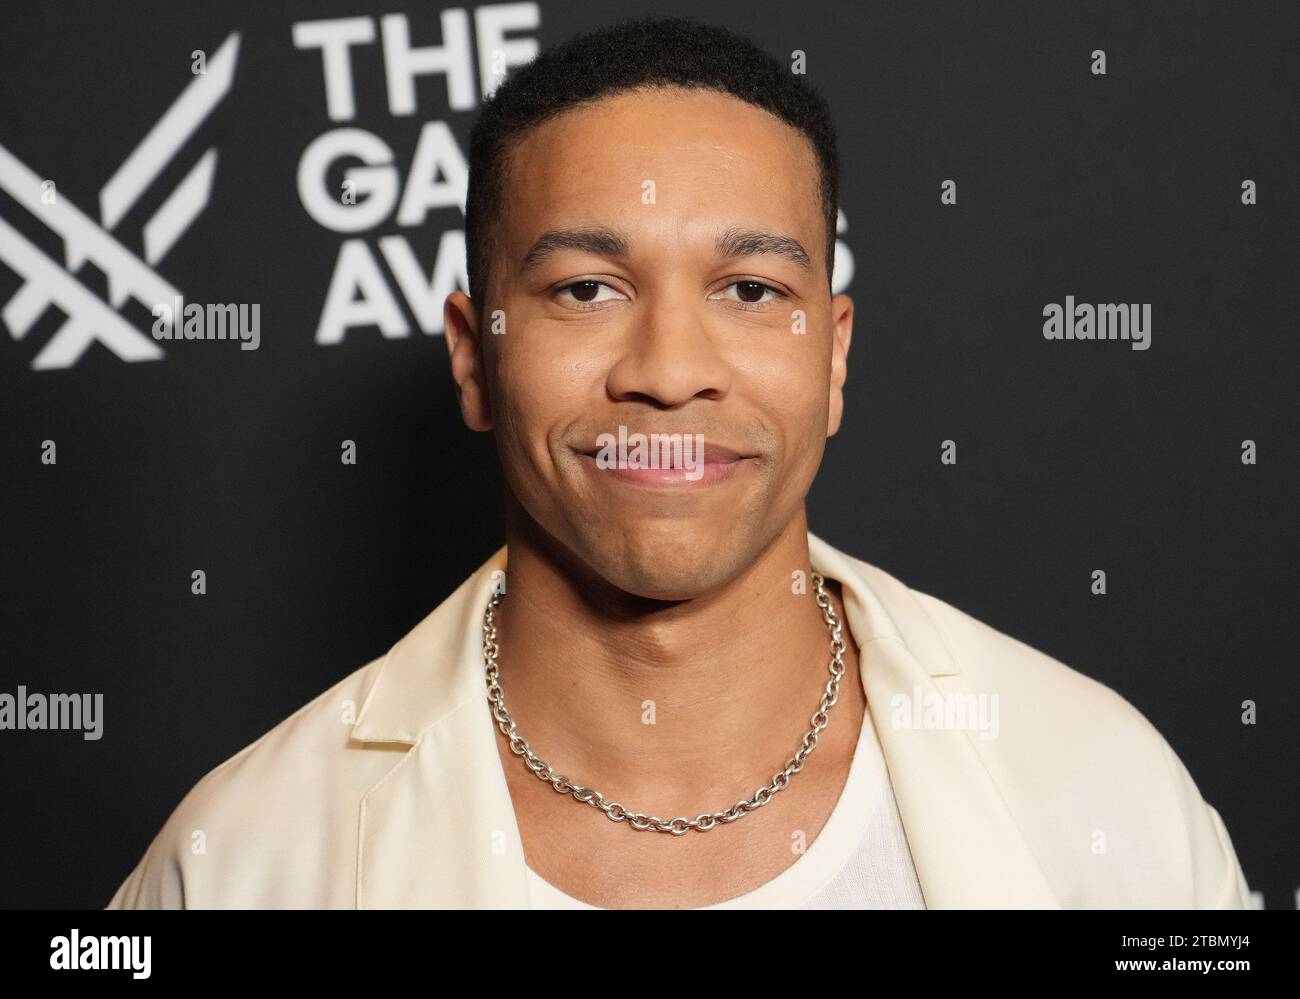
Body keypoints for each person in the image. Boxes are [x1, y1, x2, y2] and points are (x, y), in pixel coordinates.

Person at [106, 16, 1252, 909]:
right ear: (473, 358)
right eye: (584, 290)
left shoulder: (1100, 789)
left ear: (833, 354)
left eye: (751, 291)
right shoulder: (242, 858)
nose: (668, 369)